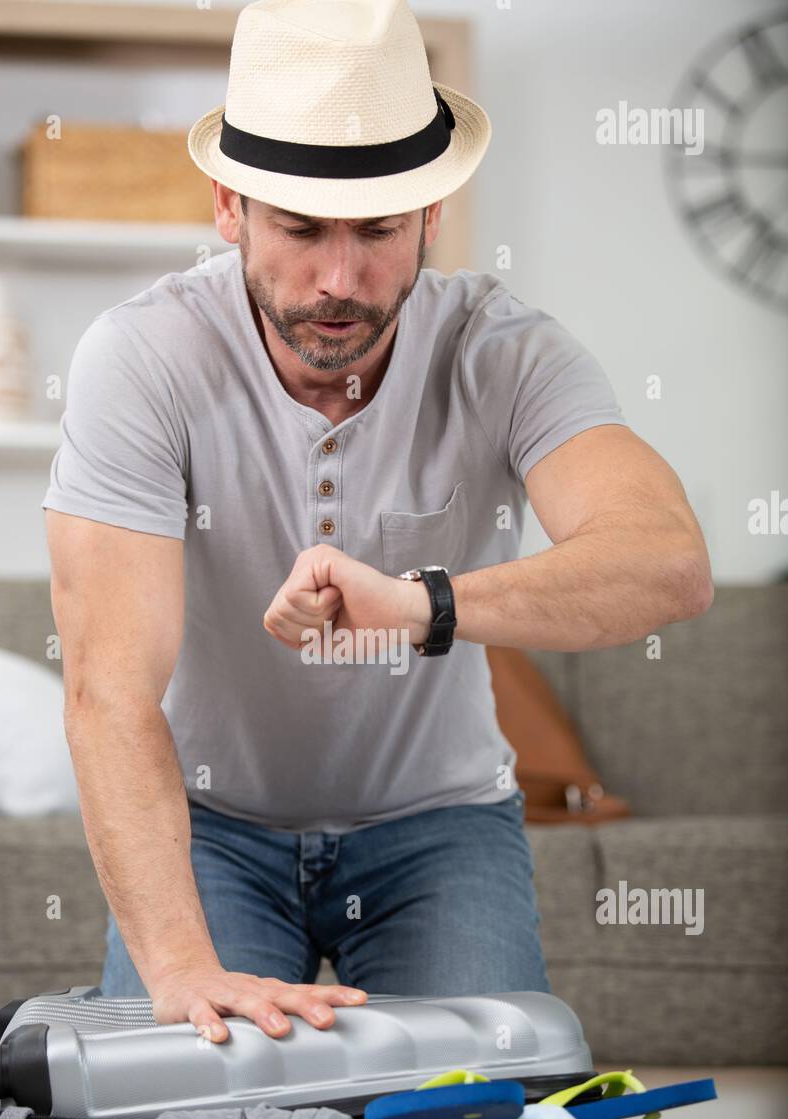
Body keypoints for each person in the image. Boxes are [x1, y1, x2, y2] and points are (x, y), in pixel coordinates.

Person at [42, 0, 712, 1046]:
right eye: (301, 230)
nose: (339, 283)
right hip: (214, 828)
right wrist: (179, 971)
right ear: (230, 207)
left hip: (437, 825)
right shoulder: (140, 359)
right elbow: (104, 688)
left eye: (378, 231)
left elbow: (666, 563)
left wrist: (418, 604)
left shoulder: (506, 352)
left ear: (431, 215)